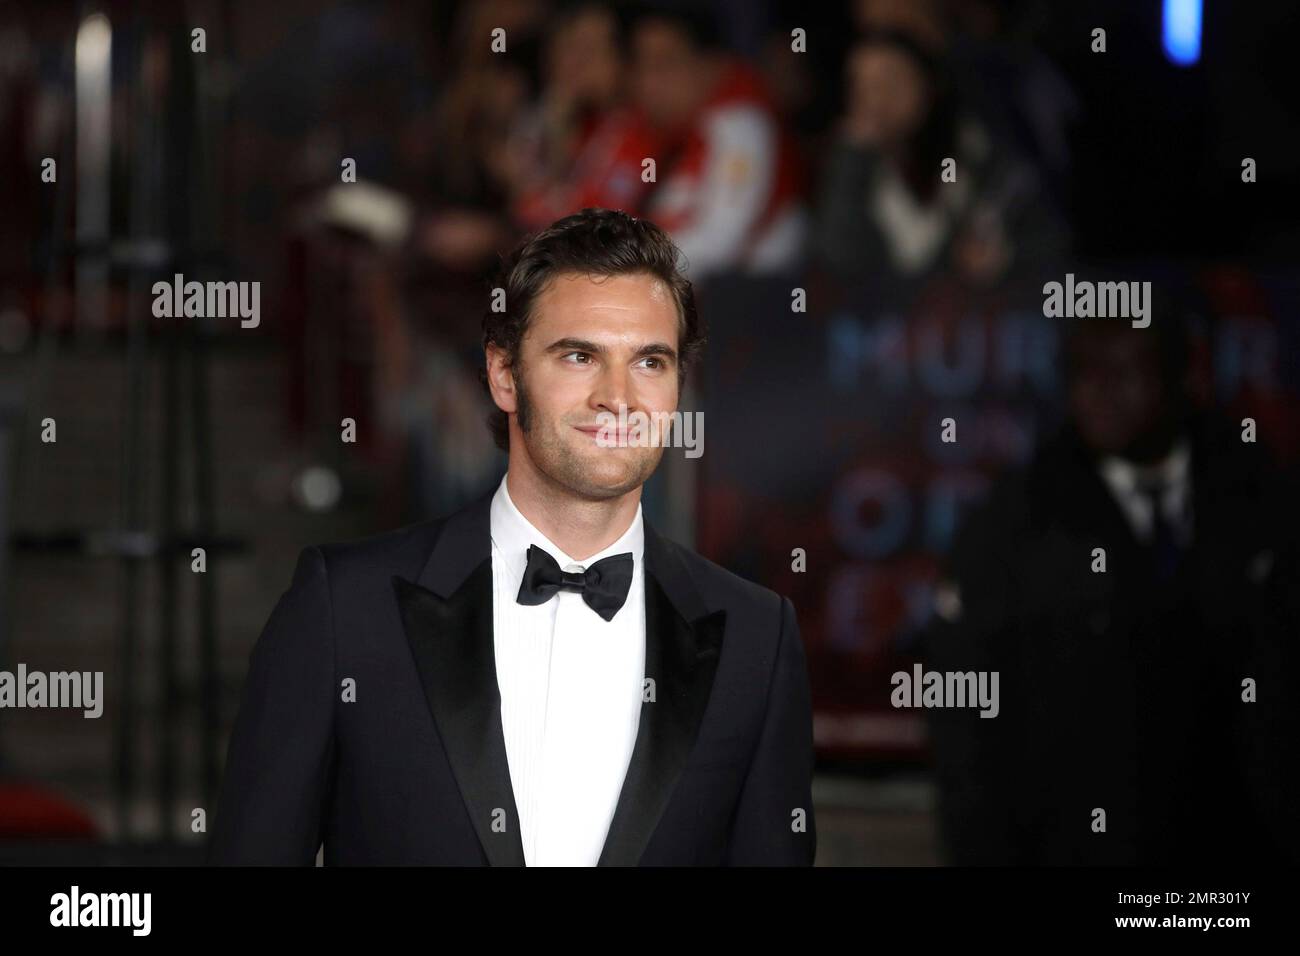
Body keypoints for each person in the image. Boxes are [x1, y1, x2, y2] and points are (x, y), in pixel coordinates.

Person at [209, 208, 817, 866]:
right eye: (580, 356)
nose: (619, 397)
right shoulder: (346, 610)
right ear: (504, 374)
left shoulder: (756, 639)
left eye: (649, 361)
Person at [923, 314, 1298, 865]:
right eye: (1082, 374)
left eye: (1124, 373)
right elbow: (964, 724)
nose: (1099, 394)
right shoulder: (1015, 525)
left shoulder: (1262, 501)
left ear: (1183, 378)